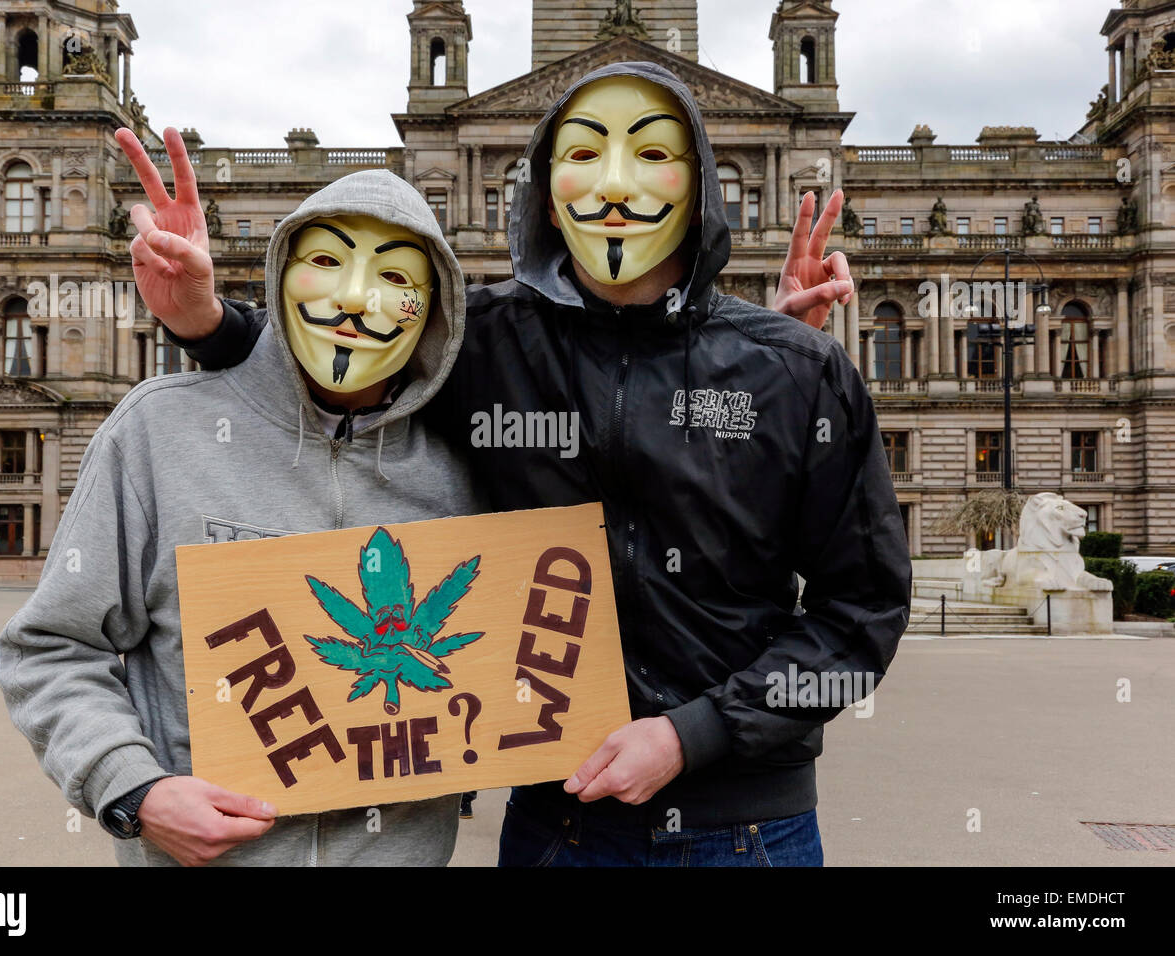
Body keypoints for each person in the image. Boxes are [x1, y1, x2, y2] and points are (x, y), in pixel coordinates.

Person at [168, 62, 911, 868]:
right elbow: (345, 361)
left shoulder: (799, 370)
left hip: (746, 831)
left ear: (702, 185)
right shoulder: (479, 341)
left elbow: (862, 612)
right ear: (546, 191)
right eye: (583, 155)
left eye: (652, 154)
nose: (616, 186)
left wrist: (691, 735)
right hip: (556, 826)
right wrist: (208, 323)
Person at [0, 126, 479, 867]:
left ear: (437, 306)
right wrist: (135, 789)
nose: (356, 298)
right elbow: (52, 646)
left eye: (395, 277)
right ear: (281, 274)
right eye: (325, 262)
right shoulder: (157, 430)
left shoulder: (467, 468)